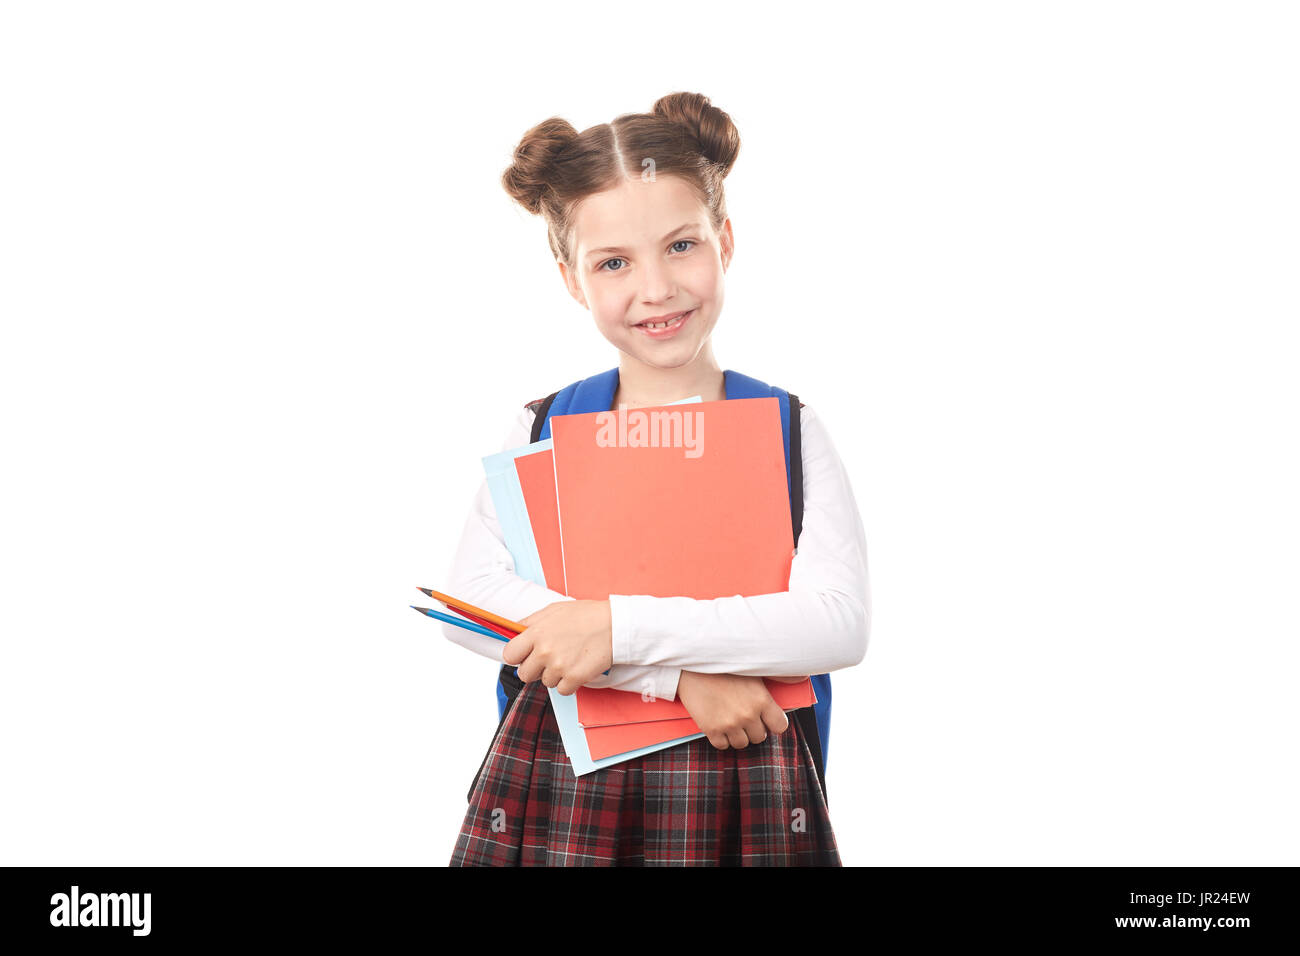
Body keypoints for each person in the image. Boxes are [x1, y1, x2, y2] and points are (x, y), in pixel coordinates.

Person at [439, 91, 871, 866]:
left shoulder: (787, 429)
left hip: (746, 782)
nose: (657, 288)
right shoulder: (543, 426)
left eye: (681, 246)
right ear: (573, 280)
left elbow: (836, 623)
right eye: (613, 263)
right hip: (564, 785)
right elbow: (468, 603)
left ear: (725, 240)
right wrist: (673, 677)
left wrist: (613, 628)